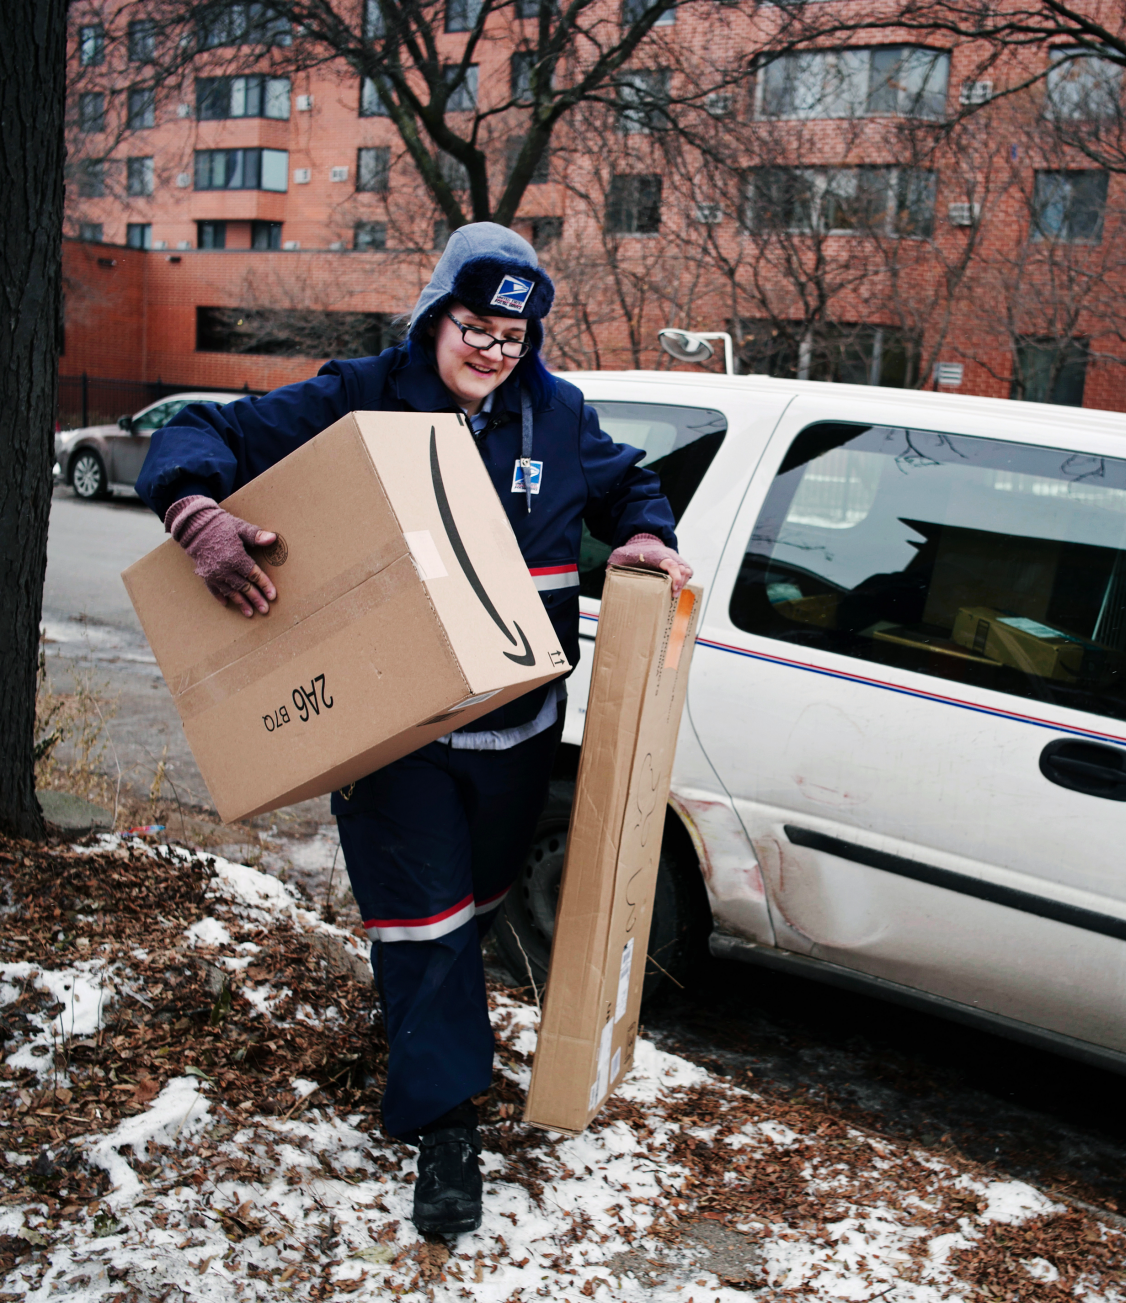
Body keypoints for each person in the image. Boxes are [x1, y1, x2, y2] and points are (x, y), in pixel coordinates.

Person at [135, 224, 691, 1238]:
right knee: (426, 917)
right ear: (437, 314)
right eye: (476, 326)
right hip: (399, 738)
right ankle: (443, 1126)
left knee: (469, 913)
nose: (492, 351)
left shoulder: (555, 413)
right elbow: (207, 428)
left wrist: (649, 533)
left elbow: (629, 485)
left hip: (518, 731)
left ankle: (427, 1030)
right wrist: (193, 509)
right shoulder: (362, 394)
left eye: (513, 336)